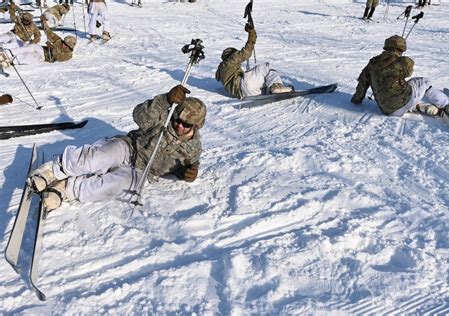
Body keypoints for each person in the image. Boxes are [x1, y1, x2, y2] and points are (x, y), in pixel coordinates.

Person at [28, 85, 206, 211]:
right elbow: (139, 116)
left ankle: (65, 188)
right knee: (98, 158)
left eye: (186, 125)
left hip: (142, 171)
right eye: (178, 120)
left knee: (113, 186)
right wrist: (164, 100)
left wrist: (186, 173)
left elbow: (189, 164)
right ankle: (53, 170)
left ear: (196, 126)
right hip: (129, 147)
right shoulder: (164, 118)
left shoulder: (193, 148)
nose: (180, 126)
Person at [350, 35, 449, 118]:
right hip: (403, 101)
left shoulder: (372, 64)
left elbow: (362, 85)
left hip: (387, 110)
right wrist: (399, 58)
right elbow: (408, 71)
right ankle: (447, 105)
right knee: (422, 82)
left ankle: (420, 107)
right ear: (400, 49)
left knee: (406, 86)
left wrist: (357, 100)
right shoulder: (401, 61)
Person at [215, 23, 293, 99]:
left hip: (243, 93)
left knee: (264, 82)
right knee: (267, 67)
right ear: (231, 55)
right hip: (242, 85)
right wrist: (252, 33)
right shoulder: (230, 60)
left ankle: (273, 89)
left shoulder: (222, 71)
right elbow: (246, 52)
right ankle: (277, 86)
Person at [0, 16, 76, 67]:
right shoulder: (59, 41)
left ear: (70, 47)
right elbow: (49, 32)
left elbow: (58, 57)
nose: (63, 45)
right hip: (42, 50)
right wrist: (43, 22)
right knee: (33, 46)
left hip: (44, 58)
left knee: (29, 56)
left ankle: (11, 61)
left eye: (66, 45)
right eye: (64, 43)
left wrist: (52, 48)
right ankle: (7, 53)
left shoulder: (68, 55)